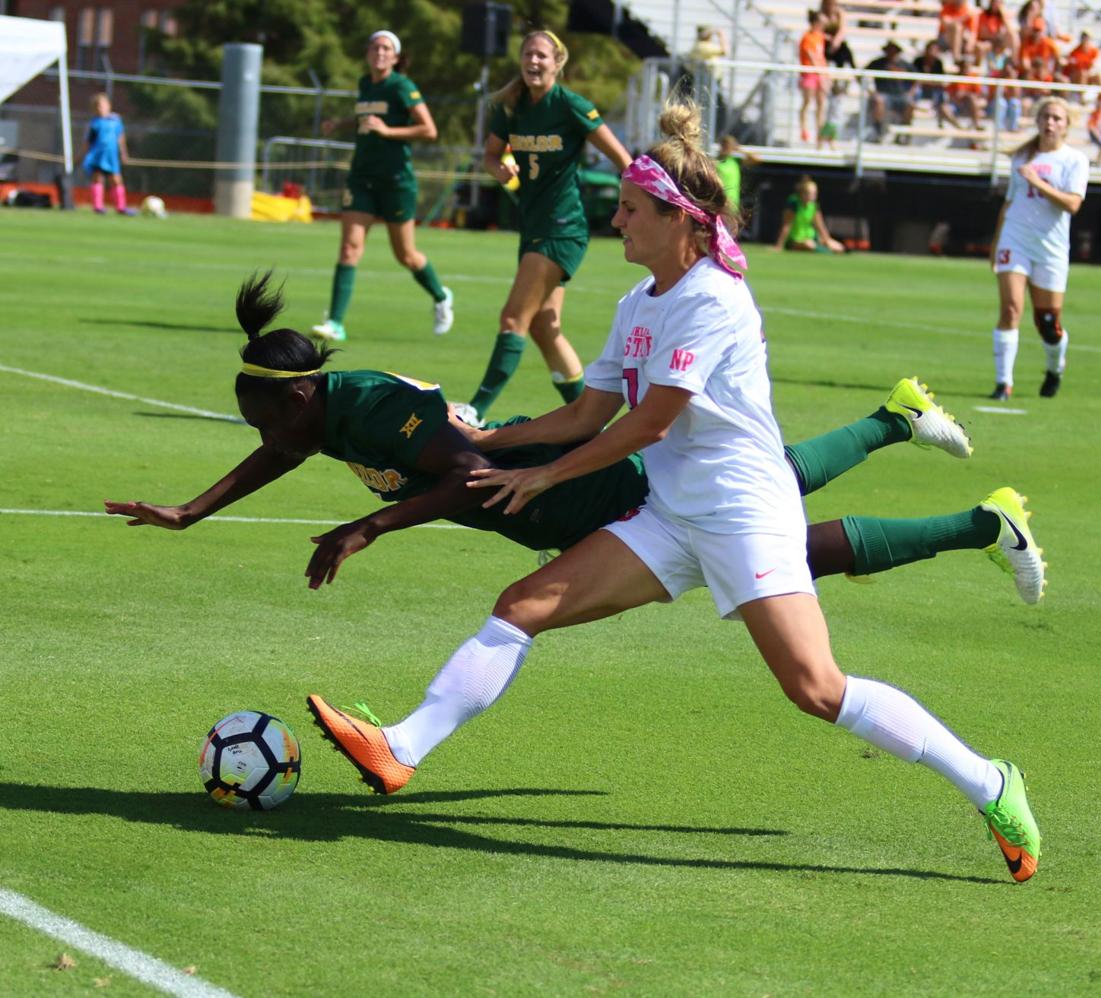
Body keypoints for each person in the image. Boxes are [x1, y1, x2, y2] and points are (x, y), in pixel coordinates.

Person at [304, 100, 1044, 885]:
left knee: (816, 688)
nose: (615, 219)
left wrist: (545, 474)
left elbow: (652, 423)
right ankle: (402, 748)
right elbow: (590, 411)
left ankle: (991, 783)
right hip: (669, 515)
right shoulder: (636, 303)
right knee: (522, 605)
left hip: (745, 514)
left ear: (678, 219)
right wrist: (489, 441)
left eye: (628, 209)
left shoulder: (714, 299)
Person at [105, 274, 1046, 605]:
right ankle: (901, 425)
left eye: (265, 412)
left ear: (304, 393)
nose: (262, 431)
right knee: (786, 509)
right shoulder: (319, 417)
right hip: (576, 507)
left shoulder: (372, 408)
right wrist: (191, 511)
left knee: (791, 538)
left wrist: (370, 530)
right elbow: (279, 453)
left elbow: (472, 475)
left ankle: (972, 508)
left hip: (603, 492)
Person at [454, 30, 632, 427]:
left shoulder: (570, 105)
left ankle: (476, 411)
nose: (534, 62)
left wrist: (635, 208)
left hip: (563, 228)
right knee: (543, 329)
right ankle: (590, 423)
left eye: (542, 56)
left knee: (512, 318)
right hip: (533, 228)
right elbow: (489, 155)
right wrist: (498, 167)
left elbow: (623, 160)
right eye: (528, 54)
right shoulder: (511, 106)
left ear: (557, 63)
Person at [311, 30, 453, 343]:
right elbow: (367, 118)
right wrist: (341, 124)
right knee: (349, 248)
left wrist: (388, 132)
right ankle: (335, 322)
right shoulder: (365, 84)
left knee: (406, 255)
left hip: (396, 182)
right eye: (375, 46)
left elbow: (429, 130)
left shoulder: (402, 86)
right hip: (361, 178)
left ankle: (441, 295)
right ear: (367, 52)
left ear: (396, 56)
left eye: (386, 48)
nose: (380, 52)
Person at [988, 96, 1088, 400]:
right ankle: (1004, 383)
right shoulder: (1022, 156)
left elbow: (1072, 204)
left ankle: (1054, 368)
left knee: (1047, 323)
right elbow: (1009, 202)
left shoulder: (1074, 160)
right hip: (1015, 239)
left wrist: (1038, 182)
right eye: (1046, 116)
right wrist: (995, 242)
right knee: (1010, 309)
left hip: (1051, 248)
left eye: (1057, 118)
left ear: (1067, 125)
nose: (1050, 122)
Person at [82, 93, 133, 216]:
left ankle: (121, 207)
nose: (100, 109)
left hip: (111, 157)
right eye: (97, 107)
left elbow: (120, 138)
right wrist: (83, 155)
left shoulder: (115, 121)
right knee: (98, 179)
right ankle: (98, 207)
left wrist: (123, 153)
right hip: (98, 156)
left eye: (102, 105)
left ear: (108, 106)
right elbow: (88, 142)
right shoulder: (94, 123)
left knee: (116, 180)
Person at [772, 176, 845, 252]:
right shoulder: (794, 203)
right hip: (795, 240)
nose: (813, 196)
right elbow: (787, 225)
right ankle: (825, 252)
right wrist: (779, 245)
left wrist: (827, 241)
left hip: (811, 238)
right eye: (810, 193)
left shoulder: (814, 206)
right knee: (809, 245)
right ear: (802, 193)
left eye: (815, 193)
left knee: (839, 247)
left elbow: (820, 226)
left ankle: (825, 250)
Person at [866, 41, 917, 142]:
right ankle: (879, 131)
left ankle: (903, 133)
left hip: (900, 95)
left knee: (910, 103)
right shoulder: (878, 63)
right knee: (878, 101)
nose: (891, 52)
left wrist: (911, 93)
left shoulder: (905, 65)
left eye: (893, 49)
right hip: (883, 94)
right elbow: (862, 76)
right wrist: (871, 91)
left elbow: (917, 80)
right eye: (889, 49)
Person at [798, 11, 830, 143]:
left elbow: (821, 57)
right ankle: (804, 130)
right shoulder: (807, 37)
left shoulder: (819, 37)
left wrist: (825, 74)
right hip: (810, 73)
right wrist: (822, 74)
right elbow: (812, 58)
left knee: (821, 103)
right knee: (807, 101)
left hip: (819, 73)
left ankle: (820, 133)